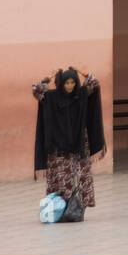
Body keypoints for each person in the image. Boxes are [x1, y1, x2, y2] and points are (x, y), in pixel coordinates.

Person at [33, 67, 106, 212]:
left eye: (73, 82)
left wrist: (80, 71)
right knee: (61, 176)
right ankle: (60, 208)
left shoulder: (81, 95)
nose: (70, 86)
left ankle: (78, 208)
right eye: (67, 83)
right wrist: (49, 77)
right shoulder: (52, 97)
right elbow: (37, 90)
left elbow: (94, 83)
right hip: (58, 147)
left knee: (82, 175)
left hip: (79, 143)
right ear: (61, 83)